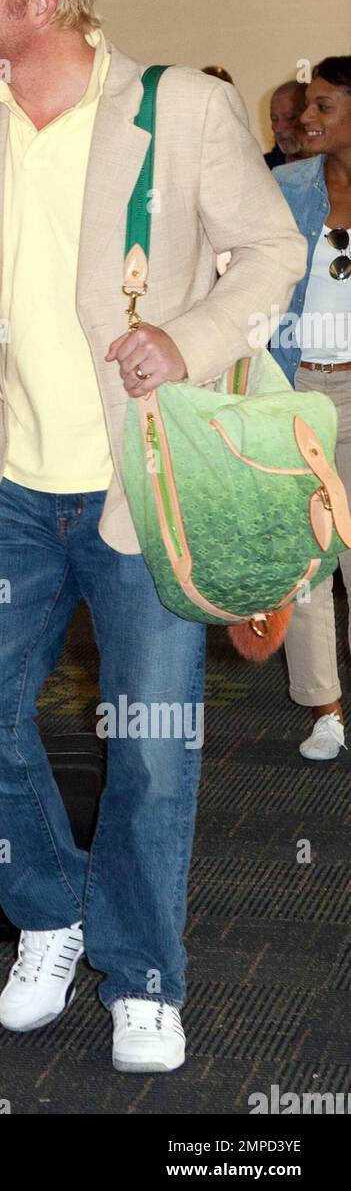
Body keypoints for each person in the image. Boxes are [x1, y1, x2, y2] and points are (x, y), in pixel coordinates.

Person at [0, 0, 304, 1072]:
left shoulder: (175, 109)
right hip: (9, 481)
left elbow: (272, 252)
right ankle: (52, 914)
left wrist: (188, 340)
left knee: (150, 740)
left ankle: (143, 974)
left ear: (40, 4)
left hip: (137, 482)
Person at [268, 57, 351, 762]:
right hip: (297, 390)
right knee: (310, 555)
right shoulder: (286, 187)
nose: (305, 119)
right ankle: (324, 708)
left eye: (323, 107)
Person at [265, 80, 308, 169]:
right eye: (274, 119)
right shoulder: (263, 169)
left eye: (290, 118)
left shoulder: (334, 167)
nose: (278, 129)